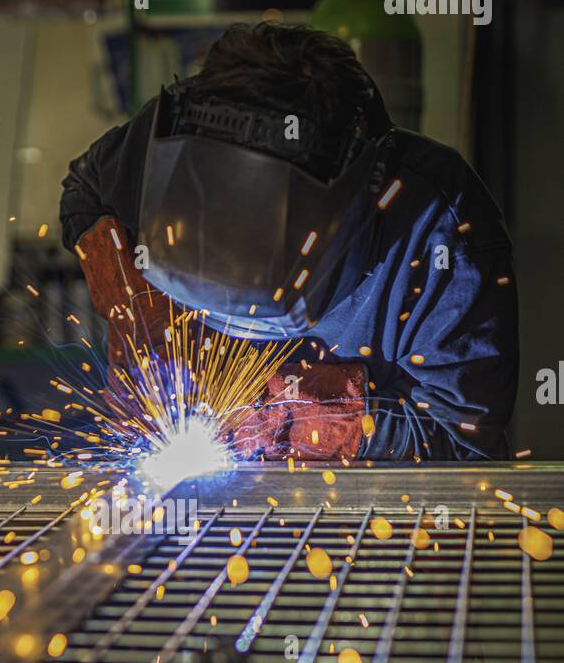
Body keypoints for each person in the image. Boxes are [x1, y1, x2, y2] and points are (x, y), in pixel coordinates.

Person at [60, 23, 518, 462]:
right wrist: (138, 311)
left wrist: (305, 413)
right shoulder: (161, 146)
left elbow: (463, 440)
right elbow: (85, 193)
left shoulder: (438, 222)